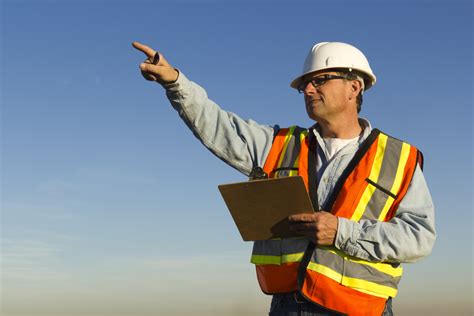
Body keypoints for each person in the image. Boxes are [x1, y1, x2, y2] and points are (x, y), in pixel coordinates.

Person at [132, 41, 436, 316]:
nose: (308, 90)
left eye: (319, 80)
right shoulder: (279, 144)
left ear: (354, 87)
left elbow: (419, 238)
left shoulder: (399, 158)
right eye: (304, 84)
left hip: (361, 310)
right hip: (287, 307)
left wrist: (342, 232)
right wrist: (175, 83)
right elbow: (219, 126)